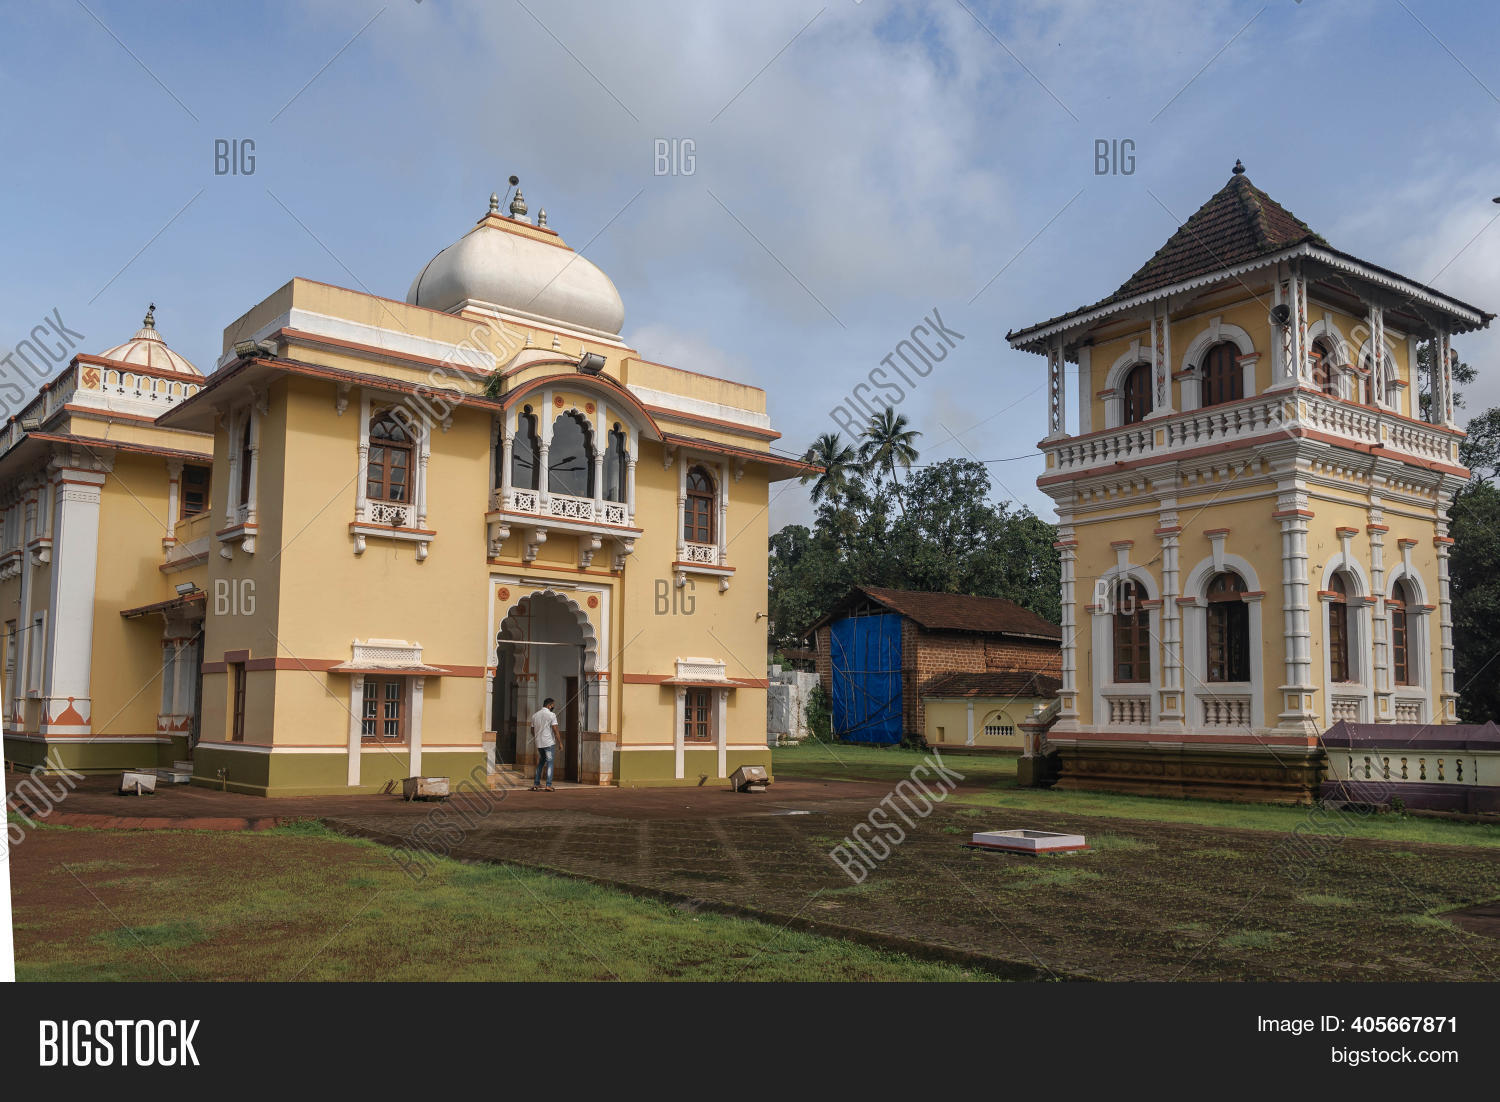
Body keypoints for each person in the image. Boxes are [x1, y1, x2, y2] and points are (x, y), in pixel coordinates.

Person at [530, 697, 559, 791]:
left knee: (541, 762)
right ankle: (548, 785)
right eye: (552, 705)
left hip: (539, 743)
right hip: (549, 743)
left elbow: (532, 730)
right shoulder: (551, 715)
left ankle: (536, 783)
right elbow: (555, 730)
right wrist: (560, 742)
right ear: (549, 705)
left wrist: (537, 737)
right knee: (550, 763)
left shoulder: (535, 715)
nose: (553, 707)